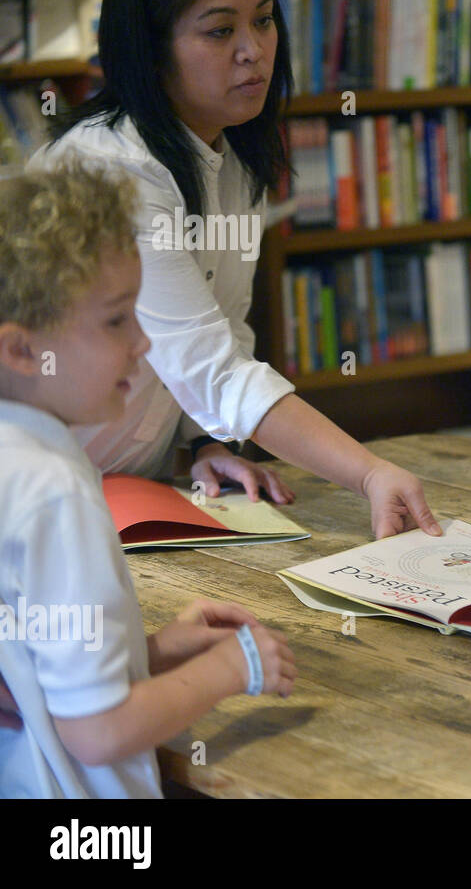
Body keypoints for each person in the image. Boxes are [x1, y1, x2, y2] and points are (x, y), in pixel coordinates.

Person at [28, 0, 440, 540]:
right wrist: (368, 472)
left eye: (265, 20)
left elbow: (222, 328)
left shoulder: (236, 156)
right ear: (151, 49)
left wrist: (201, 443)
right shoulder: (111, 170)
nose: (254, 51)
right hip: (34, 503)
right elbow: (212, 369)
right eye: (220, 31)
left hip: (122, 495)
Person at [0, 165, 295, 797]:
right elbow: (97, 731)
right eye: (115, 321)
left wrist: (152, 653)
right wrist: (227, 668)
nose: (143, 342)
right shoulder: (53, 490)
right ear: (22, 350)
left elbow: (38, 662)